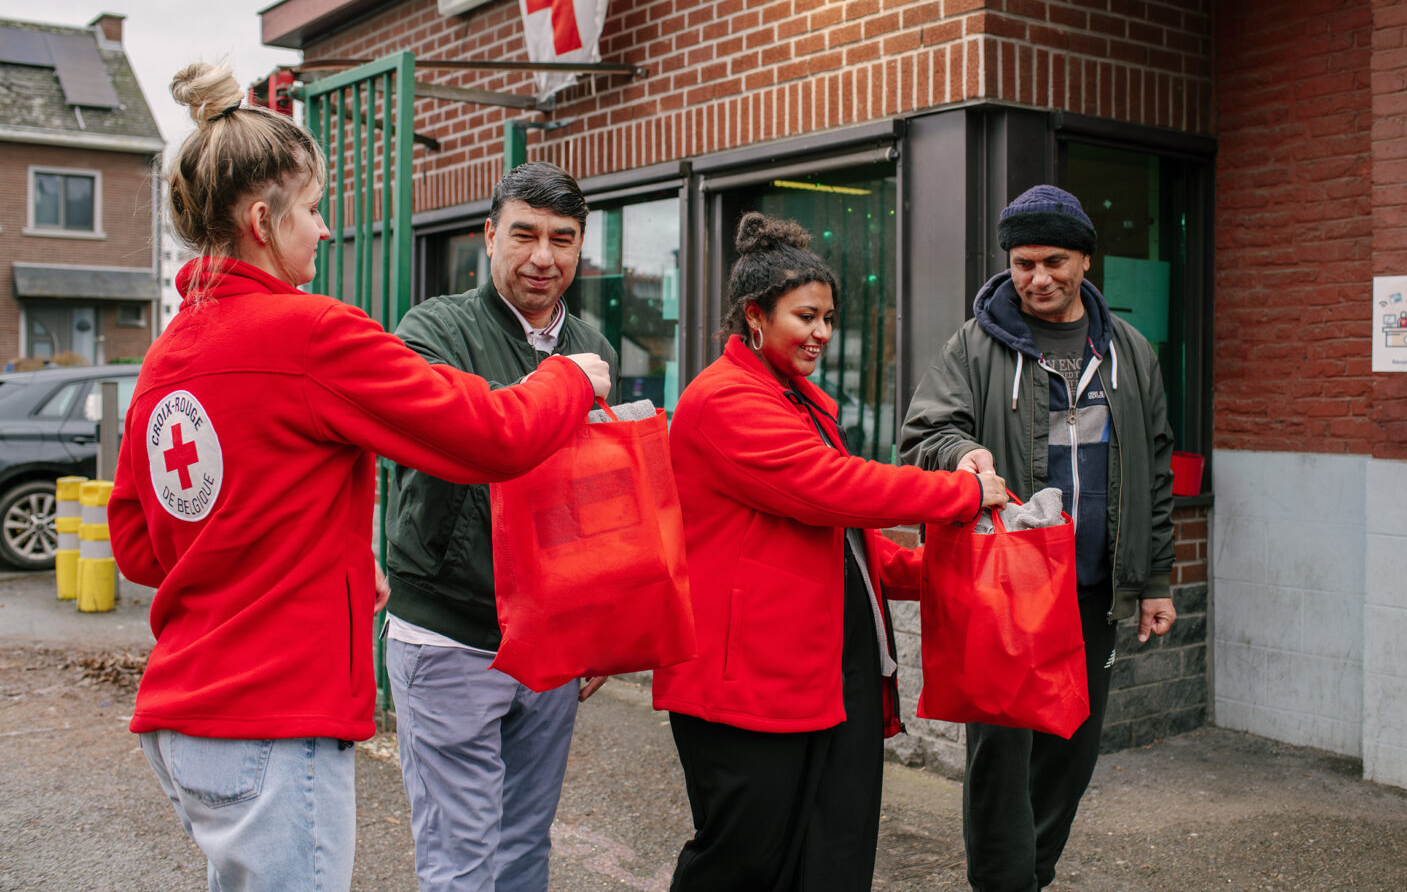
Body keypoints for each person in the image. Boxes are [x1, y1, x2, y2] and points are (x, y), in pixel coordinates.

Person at [108, 63, 611, 892]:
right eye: (313, 208)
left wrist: (314, 557)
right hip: (275, 709)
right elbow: (491, 436)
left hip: (184, 714)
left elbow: (139, 543)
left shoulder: (169, 353)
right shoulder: (307, 334)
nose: (327, 230)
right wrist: (569, 378)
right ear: (262, 221)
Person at [652, 212, 1009, 892]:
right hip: (746, 681)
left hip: (816, 674)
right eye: (804, 316)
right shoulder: (725, 401)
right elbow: (833, 490)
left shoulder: (794, 399)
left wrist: (951, 568)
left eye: (828, 317)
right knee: (742, 859)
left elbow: (847, 542)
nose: (821, 332)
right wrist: (961, 492)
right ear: (754, 317)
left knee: (824, 855)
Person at [901, 183, 1177, 892]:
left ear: (1085, 260)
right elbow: (925, 431)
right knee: (1002, 757)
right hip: (1009, 591)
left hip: (1094, 591)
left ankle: (1033, 874)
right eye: (1023, 263)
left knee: (1072, 751)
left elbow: (1154, 468)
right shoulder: (976, 344)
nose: (1038, 278)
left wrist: (1153, 582)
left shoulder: (1130, 353)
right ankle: (1003, 881)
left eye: (1054, 261)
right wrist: (960, 454)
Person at [383, 161, 618, 892]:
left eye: (563, 239)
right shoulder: (433, 329)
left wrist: (600, 624)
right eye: (524, 235)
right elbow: (475, 434)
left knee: (523, 853)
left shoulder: (594, 347)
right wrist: (559, 384)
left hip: (546, 645)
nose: (543, 257)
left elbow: (598, 505)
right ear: (488, 237)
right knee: (460, 864)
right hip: (449, 632)